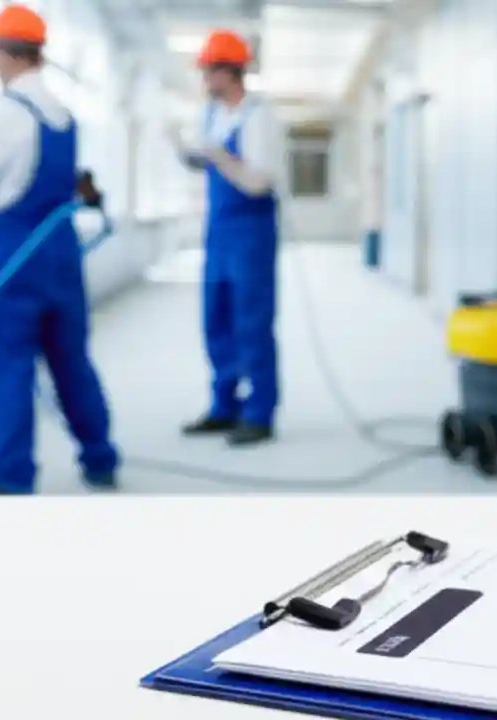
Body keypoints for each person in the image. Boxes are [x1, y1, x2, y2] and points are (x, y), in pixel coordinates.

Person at [0, 4, 119, 494]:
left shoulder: (3, 112)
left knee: (8, 364)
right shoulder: (64, 115)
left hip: (15, 257)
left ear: (4, 52)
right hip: (61, 258)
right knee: (71, 361)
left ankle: (13, 476)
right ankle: (100, 457)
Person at [172, 30, 287, 448]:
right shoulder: (211, 114)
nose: (203, 77)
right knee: (216, 318)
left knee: (251, 320)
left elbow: (258, 181)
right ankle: (224, 406)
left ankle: (259, 412)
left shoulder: (259, 117)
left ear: (228, 72)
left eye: (208, 70)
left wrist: (220, 156)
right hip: (219, 230)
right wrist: (190, 154)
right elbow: (212, 167)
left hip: (251, 230)